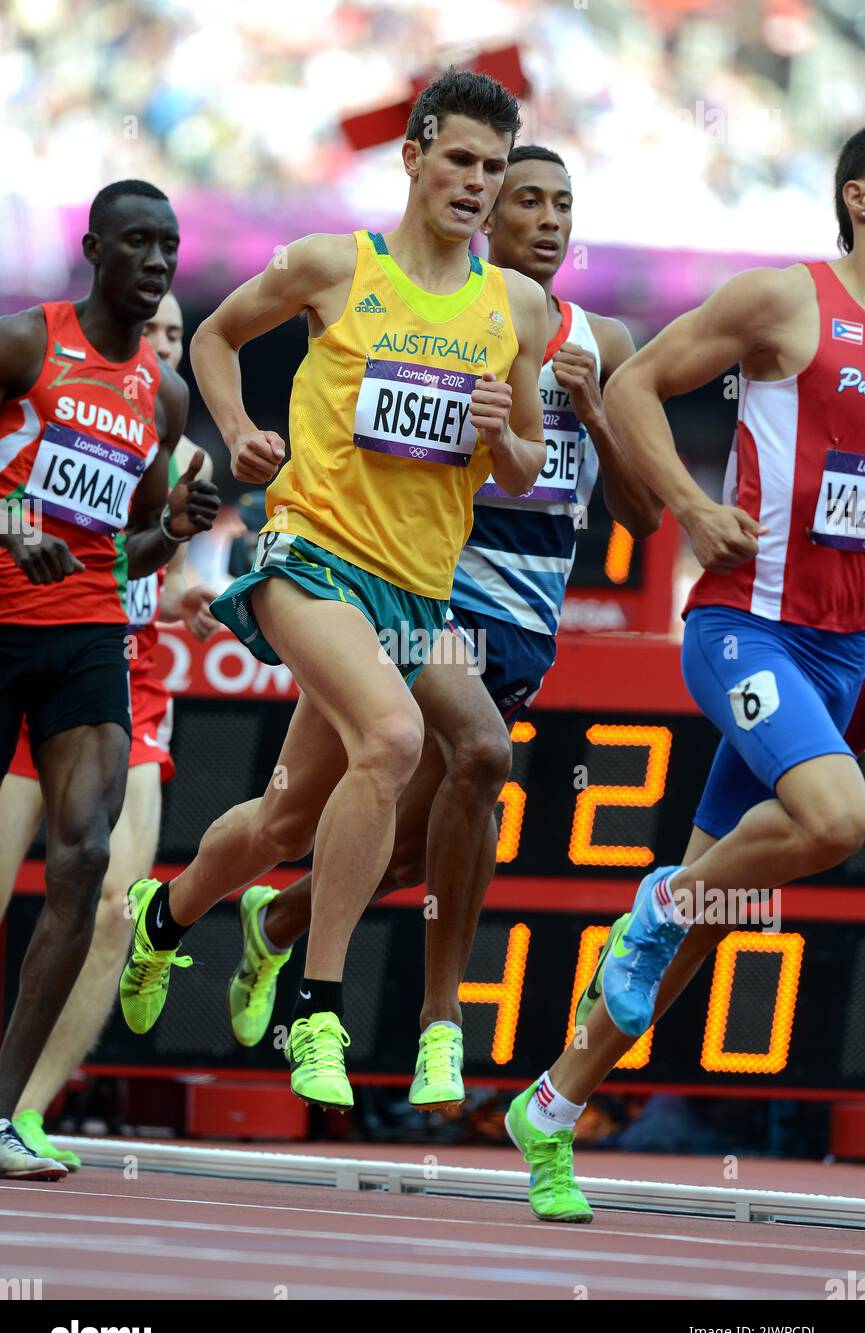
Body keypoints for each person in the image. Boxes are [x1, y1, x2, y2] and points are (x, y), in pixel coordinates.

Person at [118, 69, 550, 1113]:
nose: (477, 184)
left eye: (495, 169)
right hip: (307, 558)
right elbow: (215, 336)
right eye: (459, 160)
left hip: (417, 595)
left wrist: (501, 432)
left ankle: (164, 920)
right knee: (398, 742)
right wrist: (239, 431)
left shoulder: (517, 309)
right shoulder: (330, 267)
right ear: (412, 157)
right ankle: (320, 1003)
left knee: (281, 821)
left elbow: (528, 468)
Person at [225, 144, 661, 1113]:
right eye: (525, 203)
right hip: (429, 594)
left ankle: (277, 917)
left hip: (526, 624)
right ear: (483, 219)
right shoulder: (450, 314)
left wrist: (590, 413)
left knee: (415, 842)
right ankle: (440, 1021)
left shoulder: (606, 339)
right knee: (479, 754)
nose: (548, 221)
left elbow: (638, 519)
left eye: (563, 205)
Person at [504, 127, 865, 1221]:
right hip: (743, 629)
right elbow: (635, 389)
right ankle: (656, 899)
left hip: (845, 650)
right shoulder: (782, 300)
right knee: (837, 817)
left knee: (710, 922)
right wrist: (696, 509)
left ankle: (552, 1109)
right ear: (858, 197)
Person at [0, 179, 219, 1178]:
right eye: (138, 242)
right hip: (2, 614)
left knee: (84, 865)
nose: (159, 261)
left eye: (170, 246)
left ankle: (6, 1113)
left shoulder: (164, 399)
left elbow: (124, 552)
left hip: (88, 635)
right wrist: (11, 526)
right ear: (94, 249)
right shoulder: (26, 344)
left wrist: (169, 532)